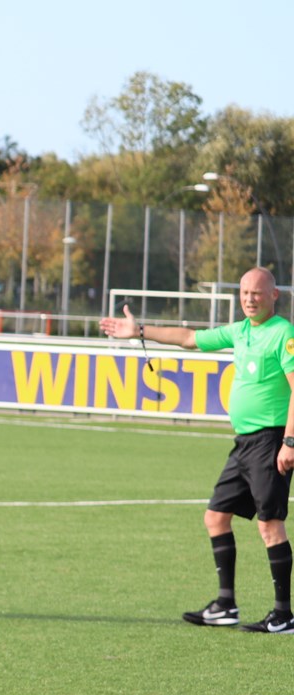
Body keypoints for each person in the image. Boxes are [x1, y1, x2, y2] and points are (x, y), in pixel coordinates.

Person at [101, 268, 294, 633]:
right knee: (216, 517)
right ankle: (225, 605)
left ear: (274, 296)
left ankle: (283, 613)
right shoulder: (240, 331)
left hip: (270, 442)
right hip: (244, 444)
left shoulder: (283, 333)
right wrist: (140, 331)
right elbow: (189, 337)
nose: (250, 298)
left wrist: (290, 441)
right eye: (244, 293)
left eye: (257, 292)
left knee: (271, 526)